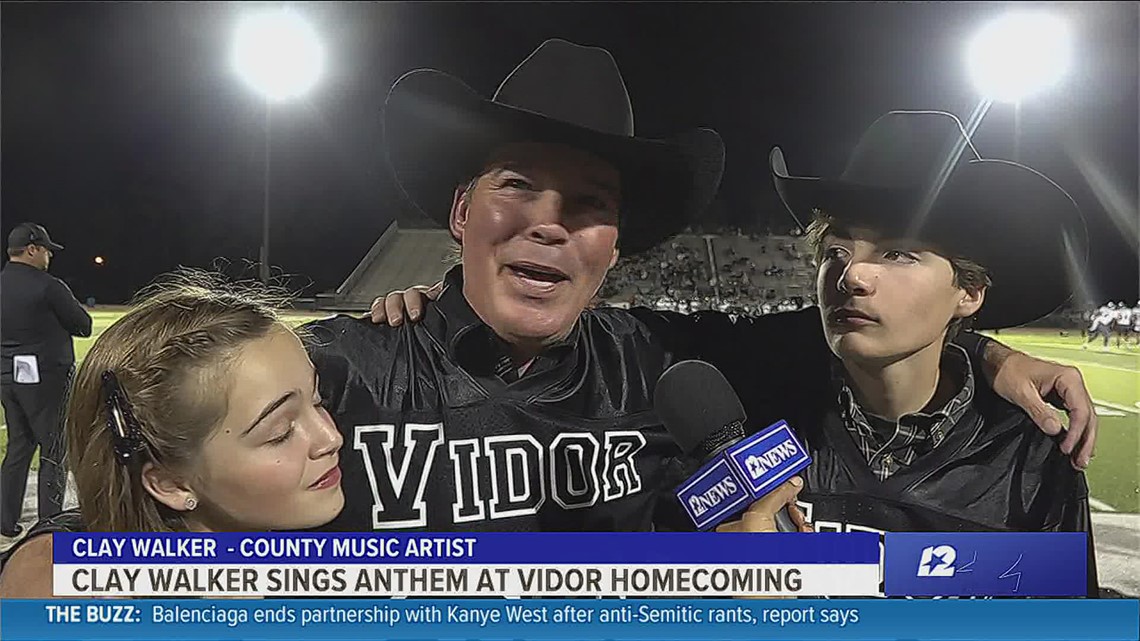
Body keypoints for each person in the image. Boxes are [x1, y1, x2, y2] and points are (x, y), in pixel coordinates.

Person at [319, 41, 1096, 535]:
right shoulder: (336, 376)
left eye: (589, 203)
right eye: (519, 184)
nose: (550, 224)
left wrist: (986, 354)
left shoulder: (662, 361)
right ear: (461, 212)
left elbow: (852, 330)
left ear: (614, 243)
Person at [714, 111, 1098, 596]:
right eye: (836, 251)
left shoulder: (1031, 454)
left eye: (897, 254)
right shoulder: (754, 409)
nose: (851, 275)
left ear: (969, 292)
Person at [0, 270, 345, 597]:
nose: (331, 437)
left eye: (318, 400)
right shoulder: (63, 585)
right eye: (280, 432)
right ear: (171, 484)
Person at [1, 223, 92, 539]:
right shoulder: (48, 286)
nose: (49, 255)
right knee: (54, 448)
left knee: (18, 447)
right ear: (32, 249)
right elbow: (83, 325)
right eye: (46, 249)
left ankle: (5, 518)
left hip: (7, 378)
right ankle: (49, 525)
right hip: (46, 379)